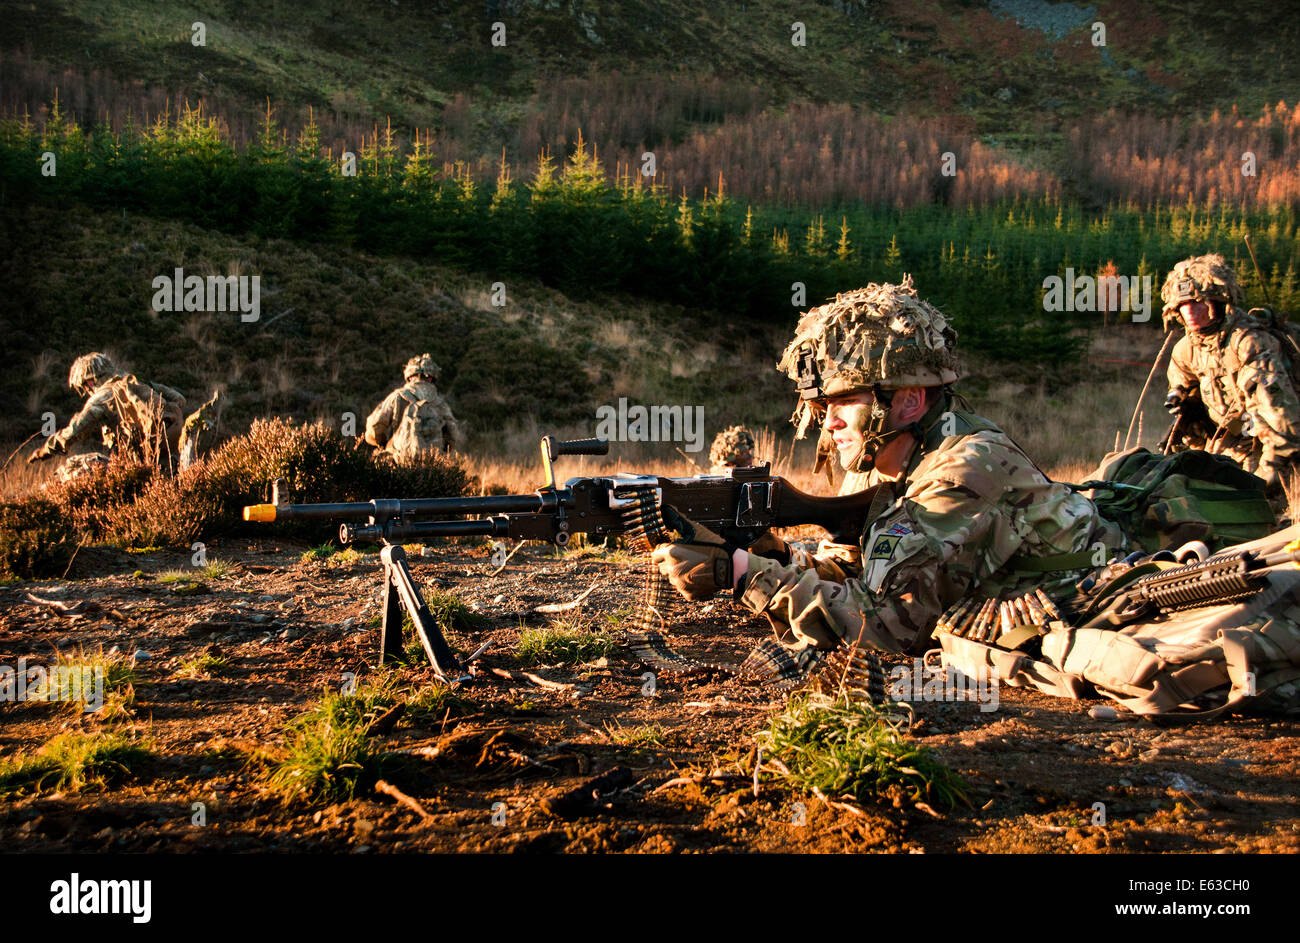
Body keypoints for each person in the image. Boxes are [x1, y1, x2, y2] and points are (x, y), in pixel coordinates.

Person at [651, 278, 1124, 656]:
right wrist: (769, 553)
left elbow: (890, 629)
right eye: (821, 407)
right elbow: (857, 576)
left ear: (910, 401)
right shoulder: (879, 459)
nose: (829, 422)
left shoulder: (965, 471)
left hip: (1087, 595)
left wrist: (742, 575)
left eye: (846, 403)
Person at [1163, 254, 1300, 493]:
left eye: (1198, 302)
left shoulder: (1249, 343)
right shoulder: (1186, 350)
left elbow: (1282, 425)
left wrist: (1265, 482)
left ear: (1217, 302)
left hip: (1271, 452)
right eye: (1182, 305)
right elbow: (1180, 391)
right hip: (1228, 450)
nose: (1190, 312)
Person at [28, 352, 186, 476]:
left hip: (135, 462)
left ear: (89, 382)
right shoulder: (135, 381)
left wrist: (46, 450)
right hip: (170, 452)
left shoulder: (101, 397)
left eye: (83, 387)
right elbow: (179, 399)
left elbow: (75, 430)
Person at [364, 353, 462, 463]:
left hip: (399, 460)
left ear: (409, 377)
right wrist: (442, 452)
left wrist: (382, 443)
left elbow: (374, 426)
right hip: (432, 465)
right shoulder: (440, 402)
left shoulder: (397, 396)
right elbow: (453, 435)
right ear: (432, 378)